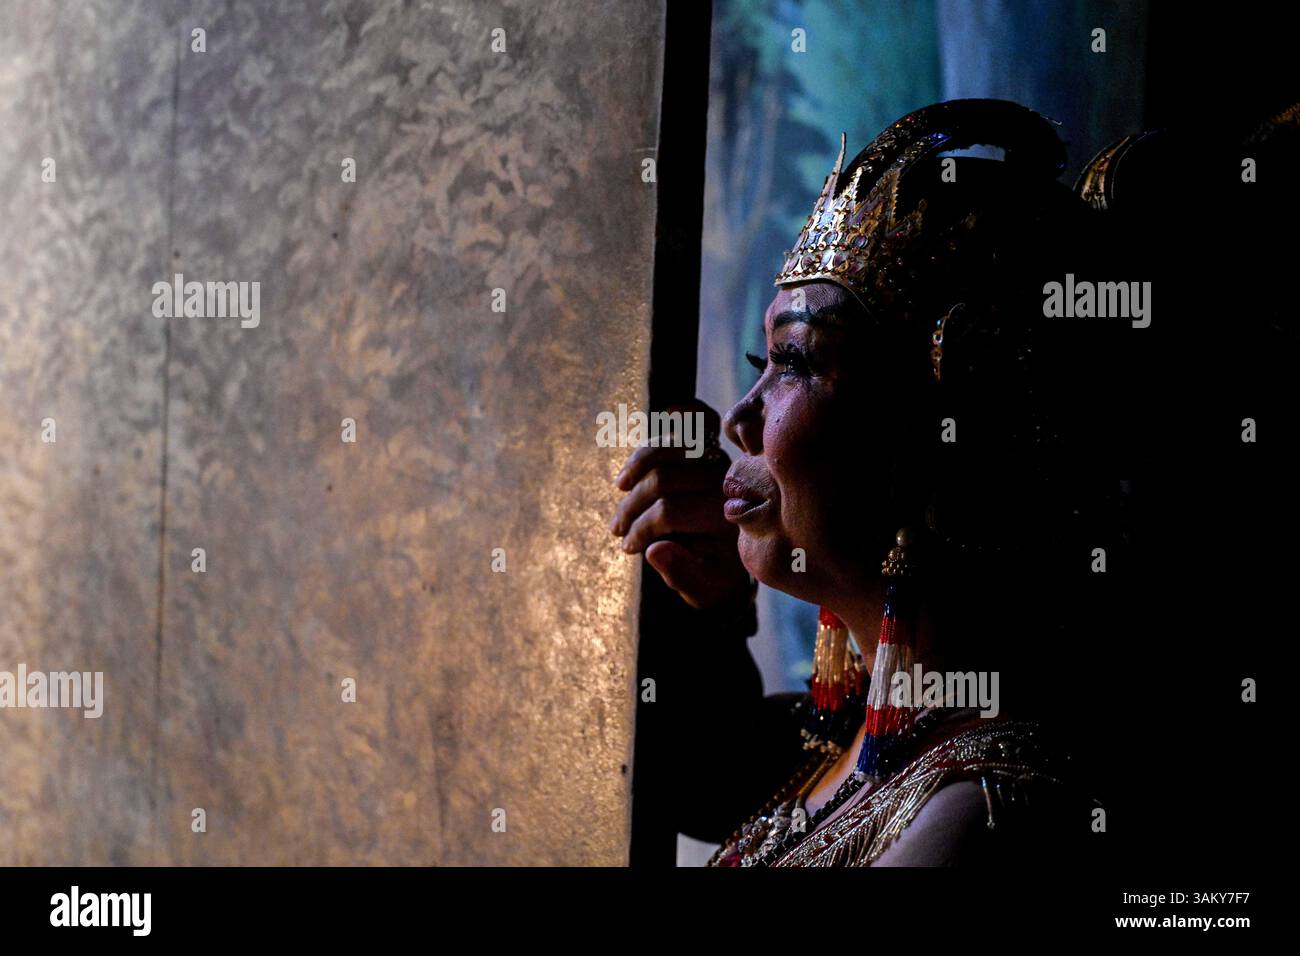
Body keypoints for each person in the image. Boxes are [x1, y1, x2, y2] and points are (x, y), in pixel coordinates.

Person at [611, 99, 1145, 866]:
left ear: (932, 433)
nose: (739, 418)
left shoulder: (982, 811)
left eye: (794, 362)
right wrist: (713, 605)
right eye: (762, 366)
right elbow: (698, 772)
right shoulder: (857, 738)